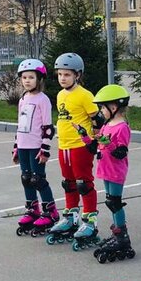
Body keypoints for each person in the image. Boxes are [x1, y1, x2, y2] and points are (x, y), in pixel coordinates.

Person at [45, 52, 101, 250]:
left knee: (83, 183)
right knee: (68, 183)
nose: (62, 78)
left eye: (67, 74)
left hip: (80, 146)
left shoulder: (85, 95)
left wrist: (94, 140)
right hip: (64, 145)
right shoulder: (61, 94)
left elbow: (97, 119)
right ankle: (70, 217)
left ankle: (90, 220)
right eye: (60, 74)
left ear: (77, 75)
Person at [84, 84, 136, 263]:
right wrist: (85, 136)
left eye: (102, 107)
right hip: (105, 169)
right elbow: (96, 147)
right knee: (110, 201)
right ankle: (117, 232)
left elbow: (120, 152)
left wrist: (107, 142)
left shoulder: (122, 127)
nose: (101, 111)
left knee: (115, 203)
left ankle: (122, 237)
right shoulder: (106, 124)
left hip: (116, 171)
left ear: (113, 107)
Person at [12, 59, 59, 236]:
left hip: (36, 146)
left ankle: (51, 211)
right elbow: (20, 124)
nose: (27, 80)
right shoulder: (23, 99)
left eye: (31, 77)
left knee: (37, 179)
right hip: (24, 145)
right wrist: (16, 147)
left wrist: (45, 149)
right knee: (26, 178)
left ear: (39, 79)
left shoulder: (43, 100)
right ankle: (33, 209)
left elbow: (48, 127)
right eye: (24, 77)